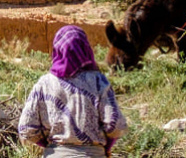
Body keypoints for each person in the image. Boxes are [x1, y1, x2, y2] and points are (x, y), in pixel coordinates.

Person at [18, 25, 128, 158]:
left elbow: (26, 128)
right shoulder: (98, 81)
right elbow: (116, 125)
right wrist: (106, 147)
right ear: (86, 49)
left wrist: (50, 147)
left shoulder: (44, 84)